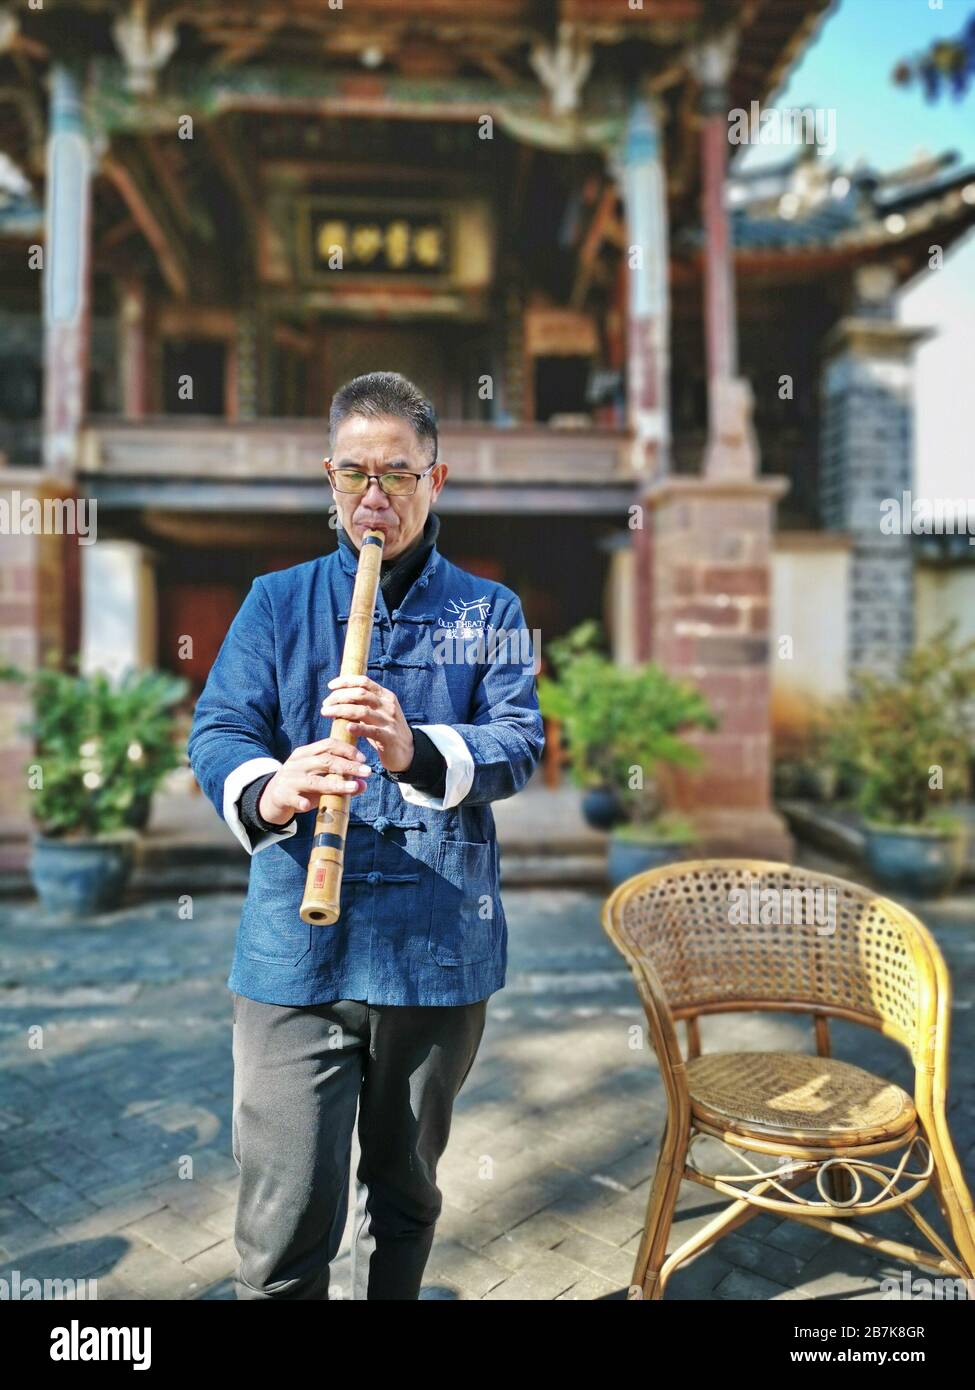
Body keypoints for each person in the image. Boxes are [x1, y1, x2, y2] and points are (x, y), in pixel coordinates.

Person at [187, 370, 545, 1299]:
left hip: (436, 946)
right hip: (293, 951)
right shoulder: (276, 600)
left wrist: (410, 744)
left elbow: (517, 744)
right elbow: (219, 730)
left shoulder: (488, 612)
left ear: (439, 478)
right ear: (328, 479)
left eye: (396, 473)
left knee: (407, 1194)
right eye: (352, 476)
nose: (373, 499)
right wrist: (272, 786)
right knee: (283, 1211)